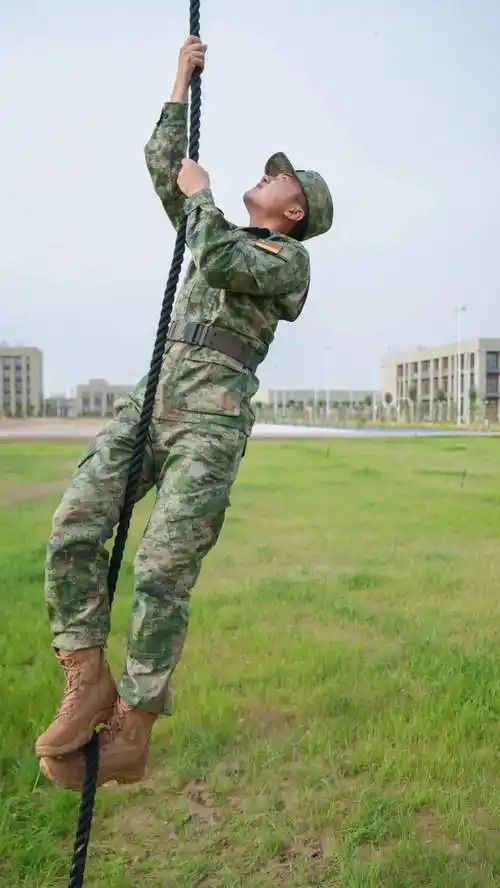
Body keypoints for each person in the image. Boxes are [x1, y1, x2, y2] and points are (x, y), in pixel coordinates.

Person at [37, 35, 334, 791]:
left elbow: (218, 258)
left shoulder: (286, 261)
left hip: (212, 420)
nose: (264, 177)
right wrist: (181, 78)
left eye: (278, 178)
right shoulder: (214, 227)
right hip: (154, 398)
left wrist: (200, 196)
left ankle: (132, 729)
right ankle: (84, 676)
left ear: (292, 210)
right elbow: (162, 162)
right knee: (75, 522)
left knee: (163, 567)